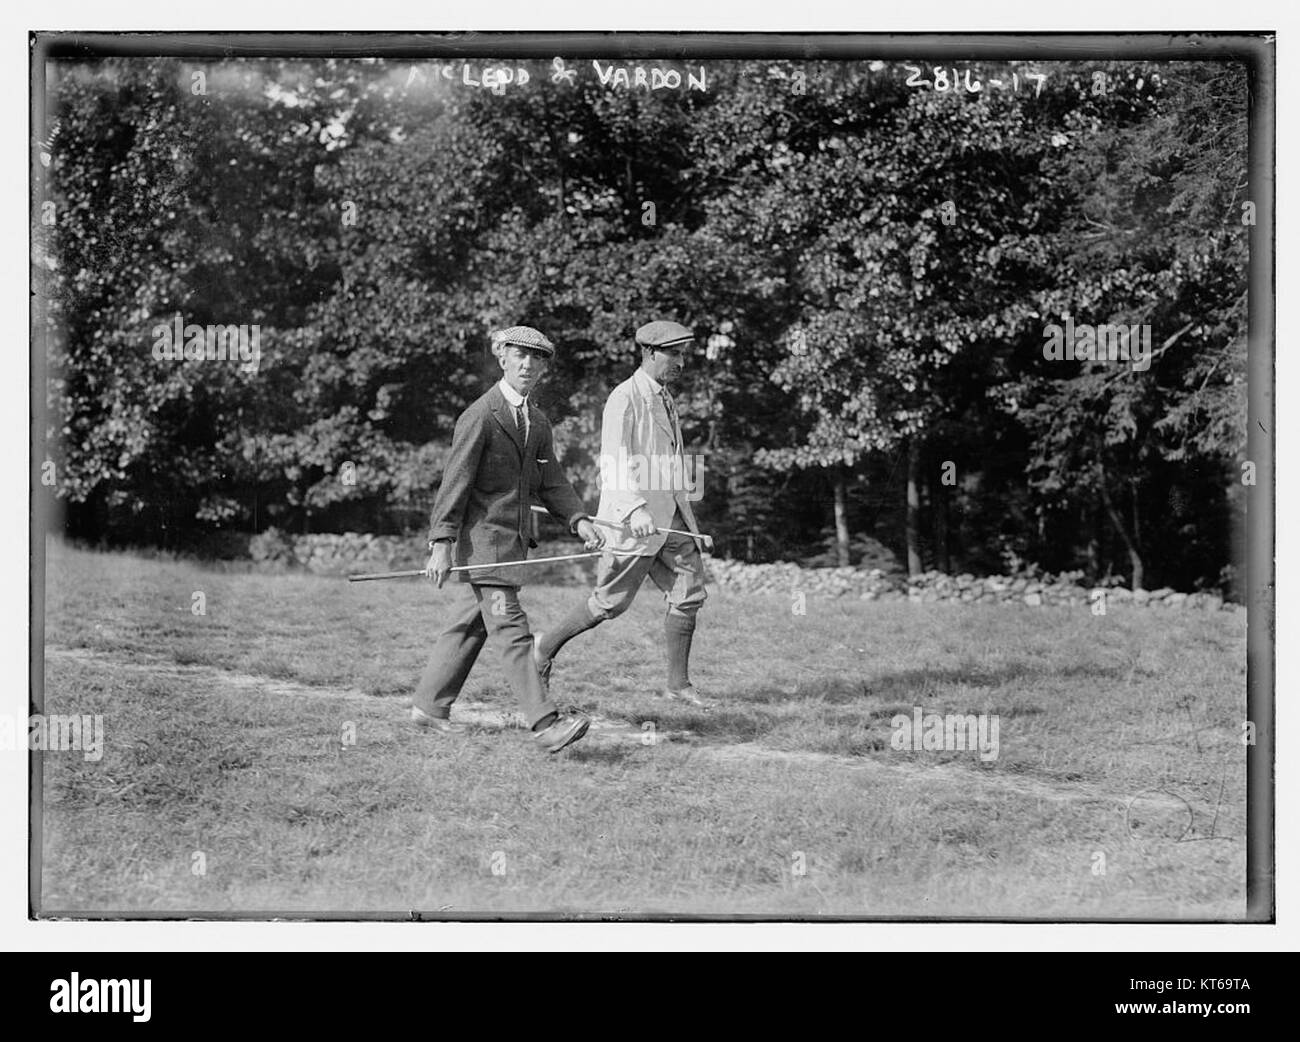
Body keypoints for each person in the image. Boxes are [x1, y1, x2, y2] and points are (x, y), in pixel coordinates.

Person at [414, 325, 605, 753]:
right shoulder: (480, 415)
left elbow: (551, 480)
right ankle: (545, 724)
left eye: (537, 359)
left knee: (469, 625)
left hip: (511, 547)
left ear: (543, 370)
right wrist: (441, 543)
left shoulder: (536, 421)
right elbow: (454, 483)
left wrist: (578, 520)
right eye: (519, 355)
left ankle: (428, 707)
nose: (527, 364)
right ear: (502, 357)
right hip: (484, 548)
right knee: (513, 631)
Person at [534, 320, 708, 706]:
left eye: (683, 353)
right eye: (673, 353)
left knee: (689, 591)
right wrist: (634, 508)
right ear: (649, 353)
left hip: (671, 518)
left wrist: (687, 518)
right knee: (609, 604)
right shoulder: (624, 398)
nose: (681, 362)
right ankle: (543, 648)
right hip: (636, 520)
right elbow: (613, 460)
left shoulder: (665, 397)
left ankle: (678, 684)